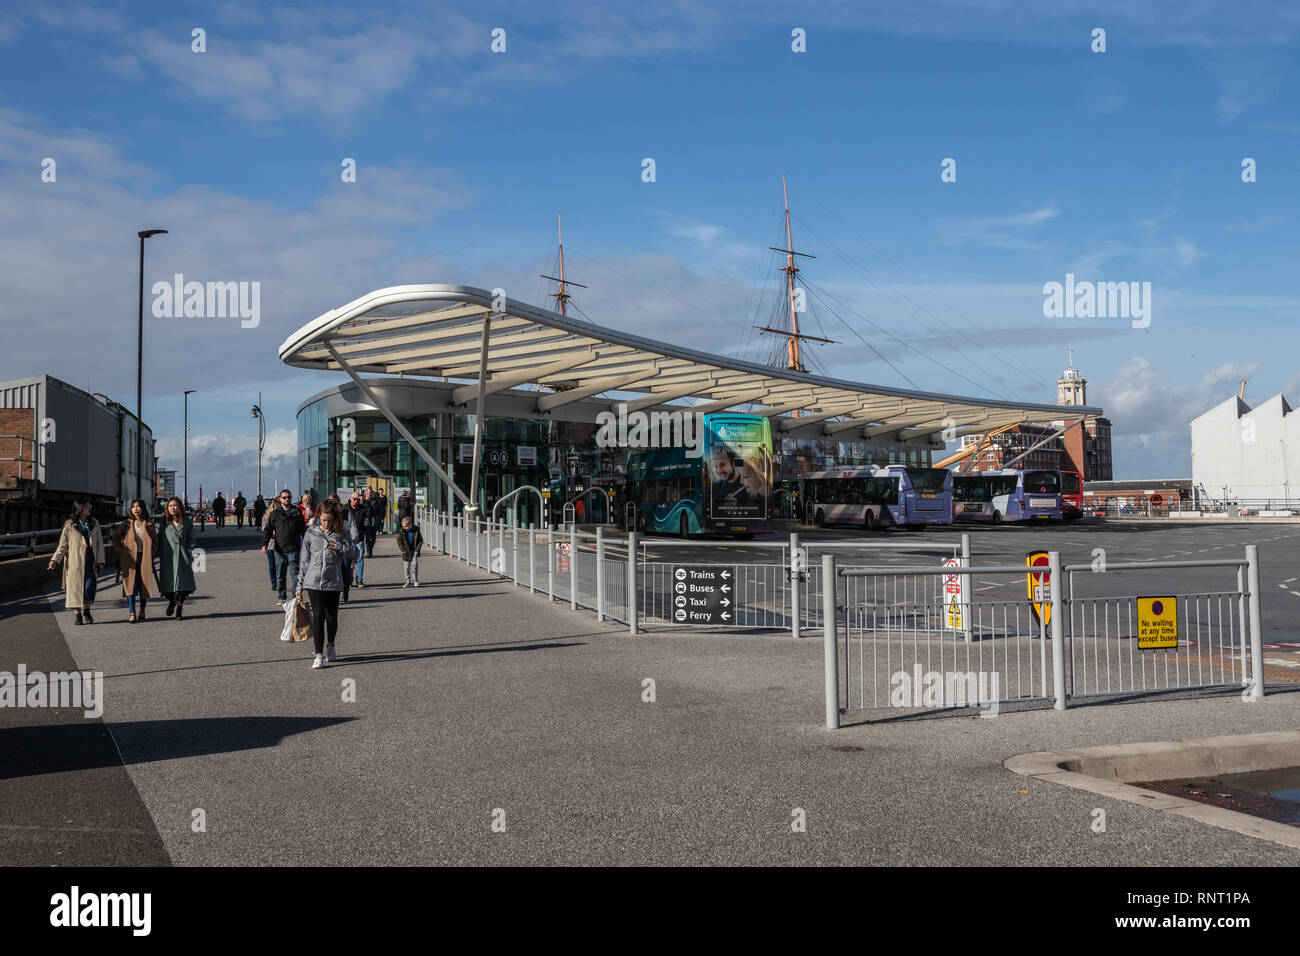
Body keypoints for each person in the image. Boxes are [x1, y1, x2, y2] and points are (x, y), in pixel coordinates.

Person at [296, 499, 359, 670]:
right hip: (313, 581)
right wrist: (299, 585)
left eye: (330, 520)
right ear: (318, 517)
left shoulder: (342, 533)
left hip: (333, 580)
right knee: (318, 617)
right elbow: (304, 560)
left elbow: (355, 554)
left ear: (335, 519)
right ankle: (318, 655)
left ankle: (330, 645)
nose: (327, 523)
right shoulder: (311, 533)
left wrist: (341, 548)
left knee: (331, 617)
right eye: (324, 520)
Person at [48, 498, 105, 626]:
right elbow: (62, 545)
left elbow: (99, 543)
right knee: (75, 589)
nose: (89, 507)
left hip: (91, 560)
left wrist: (101, 561)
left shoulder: (94, 523)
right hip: (75, 562)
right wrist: (54, 560)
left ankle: (87, 611)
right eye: (86, 506)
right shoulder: (70, 524)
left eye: (89, 505)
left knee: (89, 587)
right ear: (79, 508)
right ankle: (78, 614)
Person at [113, 498, 158, 623]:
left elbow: (155, 542)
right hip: (129, 559)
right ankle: (132, 612)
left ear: (143, 508)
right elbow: (116, 538)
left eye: (138, 506)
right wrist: (121, 552)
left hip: (144, 558)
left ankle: (142, 610)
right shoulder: (126, 524)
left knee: (143, 585)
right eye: (133, 507)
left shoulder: (149, 525)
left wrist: (151, 555)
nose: (136, 509)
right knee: (130, 585)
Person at [263, 488, 307, 606]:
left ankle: (295, 597)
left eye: (289, 497)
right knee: (280, 574)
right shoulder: (275, 514)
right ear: (280, 499)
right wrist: (265, 544)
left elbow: (304, 530)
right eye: (284, 497)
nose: (287, 499)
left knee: (295, 574)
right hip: (279, 549)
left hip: (293, 548)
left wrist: (309, 544)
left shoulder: (297, 513)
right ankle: (281, 596)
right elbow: (268, 530)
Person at [157, 496, 196, 620]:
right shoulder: (163, 522)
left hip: (183, 555)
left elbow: (192, 539)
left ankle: (179, 607)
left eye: (175, 505)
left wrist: (190, 552)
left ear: (180, 507)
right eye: (170, 506)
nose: (172, 508)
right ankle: (172, 601)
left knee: (183, 585)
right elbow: (158, 539)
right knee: (168, 585)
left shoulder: (187, 522)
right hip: (168, 556)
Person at [339, 492, 366, 599]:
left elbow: (371, 514)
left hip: (357, 538)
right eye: (354, 499)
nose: (356, 501)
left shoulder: (362, 508)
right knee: (344, 566)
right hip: (344, 541)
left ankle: (359, 579)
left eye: (358, 499)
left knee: (359, 559)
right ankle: (347, 583)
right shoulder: (345, 510)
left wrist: (366, 502)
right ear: (350, 498)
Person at [397, 514, 423, 587]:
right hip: (406, 552)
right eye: (404, 526)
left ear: (411, 524)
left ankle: (415, 580)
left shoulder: (416, 530)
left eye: (407, 526)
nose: (405, 528)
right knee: (406, 567)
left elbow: (420, 541)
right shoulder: (402, 532)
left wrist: (417, 550)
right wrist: (403, 550)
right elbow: (399, 541)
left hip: (414, 551)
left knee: (414, 565)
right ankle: (408, 580)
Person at [361, 488, 379, 557]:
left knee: (373, 538)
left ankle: (370, 549)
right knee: (368, 537)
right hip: (366, 521)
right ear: (365, 493)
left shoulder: (375, 501)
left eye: (371, 492)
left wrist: (378, 518)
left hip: (374, 521)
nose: (370, 494)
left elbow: (378, 510)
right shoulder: (362, 501)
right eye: (369, 492)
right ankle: (368, 552)